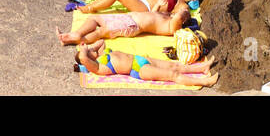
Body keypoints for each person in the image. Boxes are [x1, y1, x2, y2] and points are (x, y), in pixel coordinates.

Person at [73, 39, 218, 87]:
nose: (88, 51)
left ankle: (203, 67)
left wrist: (89, 48)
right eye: (85, 54)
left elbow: (101, 42)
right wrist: (83, 50)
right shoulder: (96, 67)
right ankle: (205, 82)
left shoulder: (101, 55)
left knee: (175, 65)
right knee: (172, 74)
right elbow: (84, 59)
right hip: (137, 69)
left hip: (139, 59)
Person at [57, 1, 193, 44]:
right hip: (128, 19)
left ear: (183, 21)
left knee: (101, 32)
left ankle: (72, 39)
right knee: (94, 18)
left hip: (131, 25)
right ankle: (77, 34)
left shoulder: (173, 26)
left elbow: (179, 16)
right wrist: (158, 5)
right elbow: (152, 14)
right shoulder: (167, 17)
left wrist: (185, 12)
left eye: (183, 17)